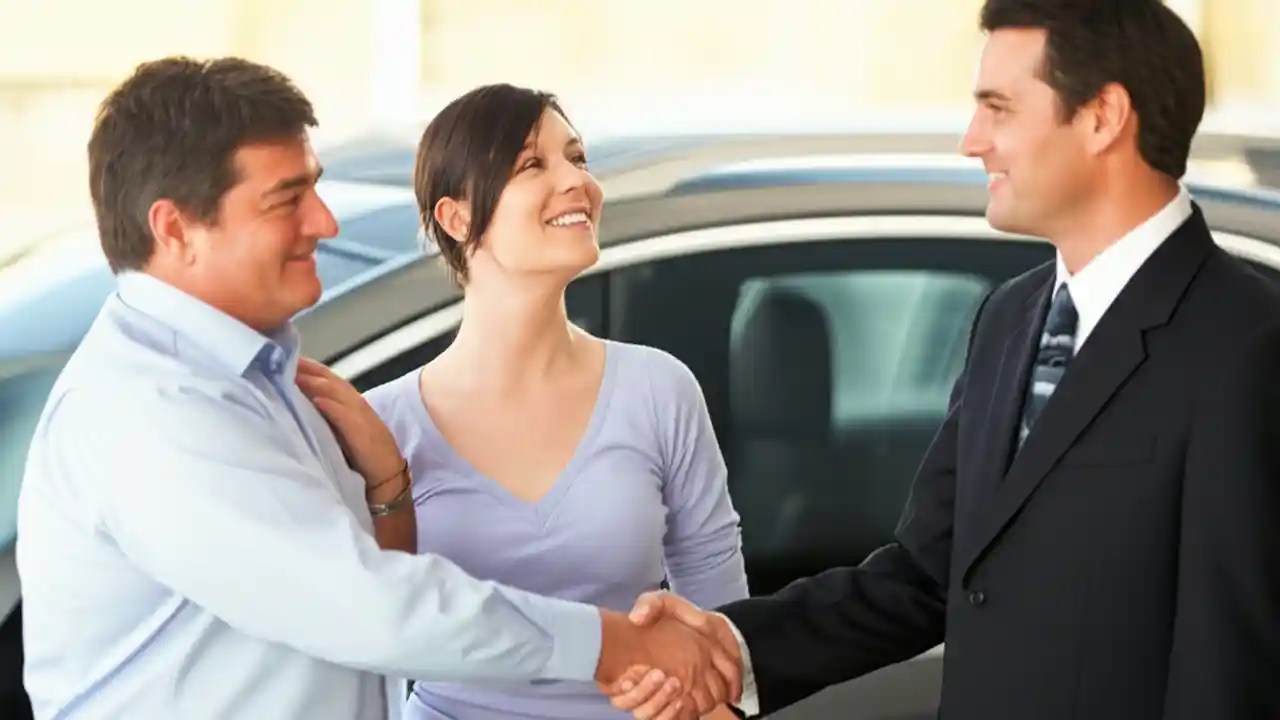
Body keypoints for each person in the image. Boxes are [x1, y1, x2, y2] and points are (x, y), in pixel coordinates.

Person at [609, 1, 1280, 718]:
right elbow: (931, 573)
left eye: (998, 108)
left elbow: (1233, 671)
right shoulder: (1011, 317)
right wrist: (735, 645)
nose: (973, 142)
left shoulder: (1247, 346)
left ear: (1102, 116)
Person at [15, 56, 738, 720]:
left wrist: (388, 489)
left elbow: (361, 591)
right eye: (286, 199)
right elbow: (366, 606)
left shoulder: (273, 383)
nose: (324, 223)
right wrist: (613, 644)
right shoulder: (155, 412)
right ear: (175, 229)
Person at [294, 83, 749, 720]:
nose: (578, 183)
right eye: (533, 164)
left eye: (578, 158)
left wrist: (724, 709)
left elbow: (724, 631)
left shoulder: (658, 389)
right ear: (455, 218)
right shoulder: (383, 428)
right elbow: (364, 637)